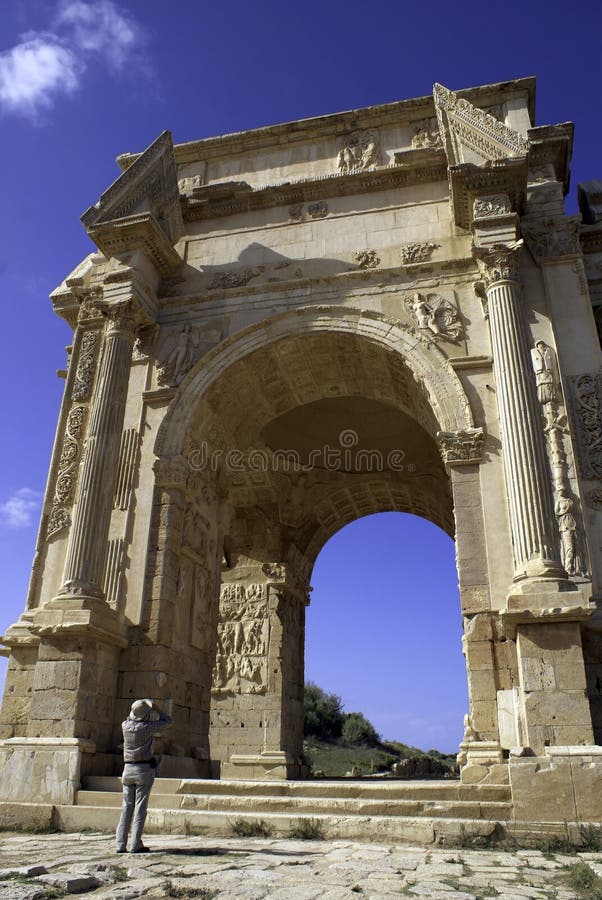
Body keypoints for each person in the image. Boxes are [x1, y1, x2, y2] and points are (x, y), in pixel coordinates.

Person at [115, 698, 172, 854]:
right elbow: (168, 721)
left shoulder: (125, 726)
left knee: (126, 808)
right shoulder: (147, 727)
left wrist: (139, 710)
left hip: (127, 769)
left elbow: (130, 718)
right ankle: (135, 844)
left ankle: (120, 844)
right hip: (143, 769)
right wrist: (157, 709)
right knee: (140, 808)